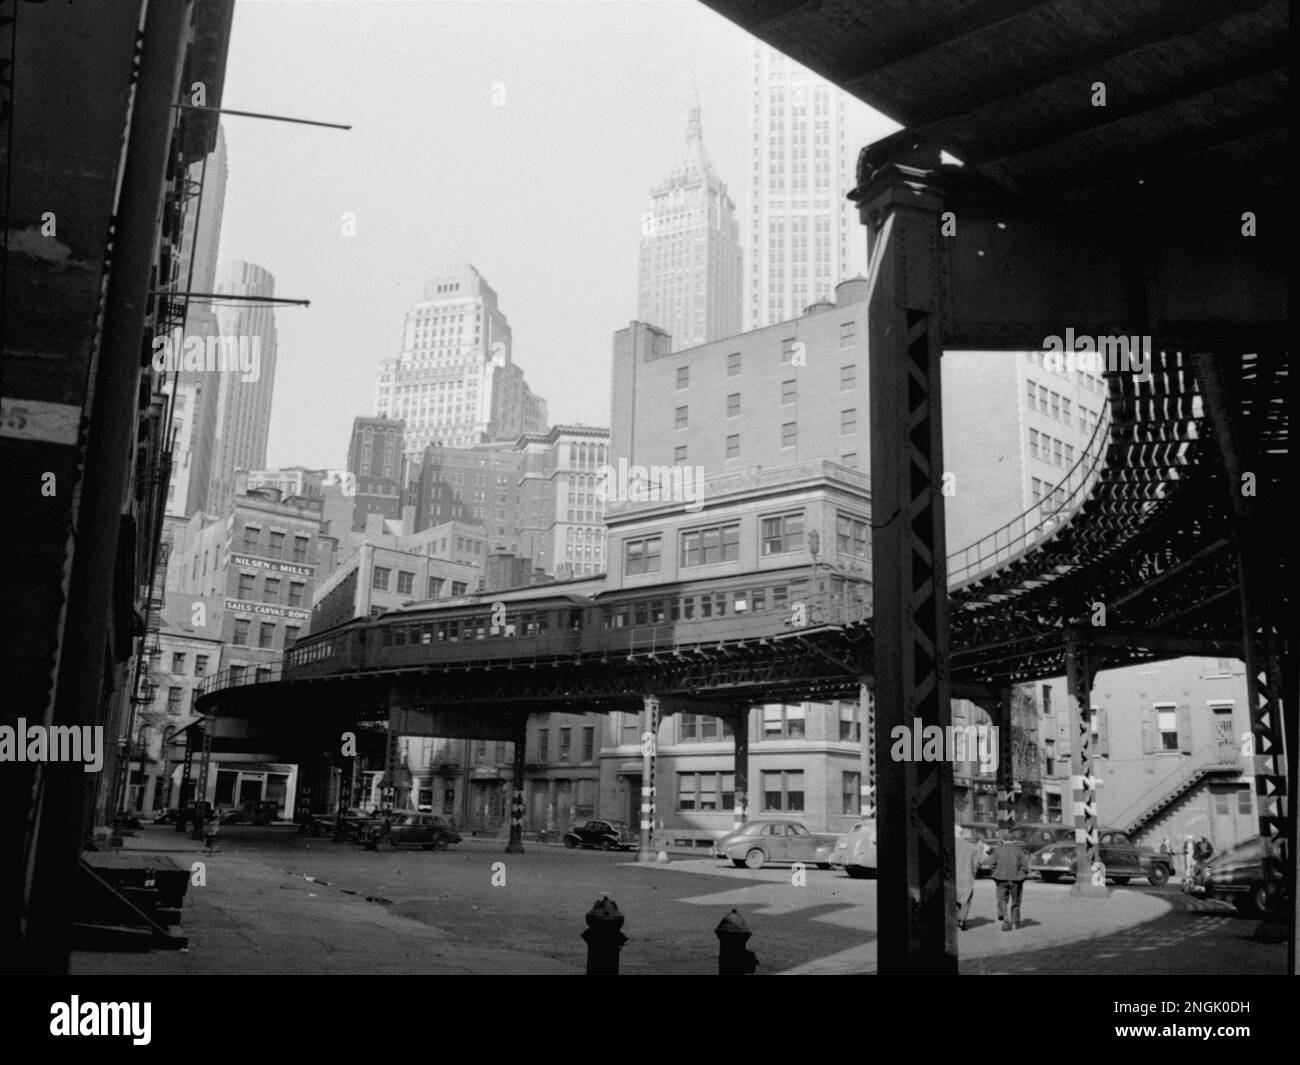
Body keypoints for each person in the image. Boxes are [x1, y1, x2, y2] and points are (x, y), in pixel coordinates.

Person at [990, 835, 1030, 930]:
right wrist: (1022, 876)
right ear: (1013, 840)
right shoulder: (1019, 851)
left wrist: (995, 875)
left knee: (1002, 899)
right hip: (1016, 879)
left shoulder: (998, 850)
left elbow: (992, 864)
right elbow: (1025, 867)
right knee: (1016, 901)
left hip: (1001, 879)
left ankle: (1005, 916)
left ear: (1003, 840)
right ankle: (1016, 922)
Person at [955, 826, 977, 930]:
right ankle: (962, 920)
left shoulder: (948, 844)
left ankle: (955, 918)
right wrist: (973, 872)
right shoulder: (970, 846)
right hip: (966, 876)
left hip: (953, 877)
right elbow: (975, 863)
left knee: (953, 898)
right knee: (966, 899)